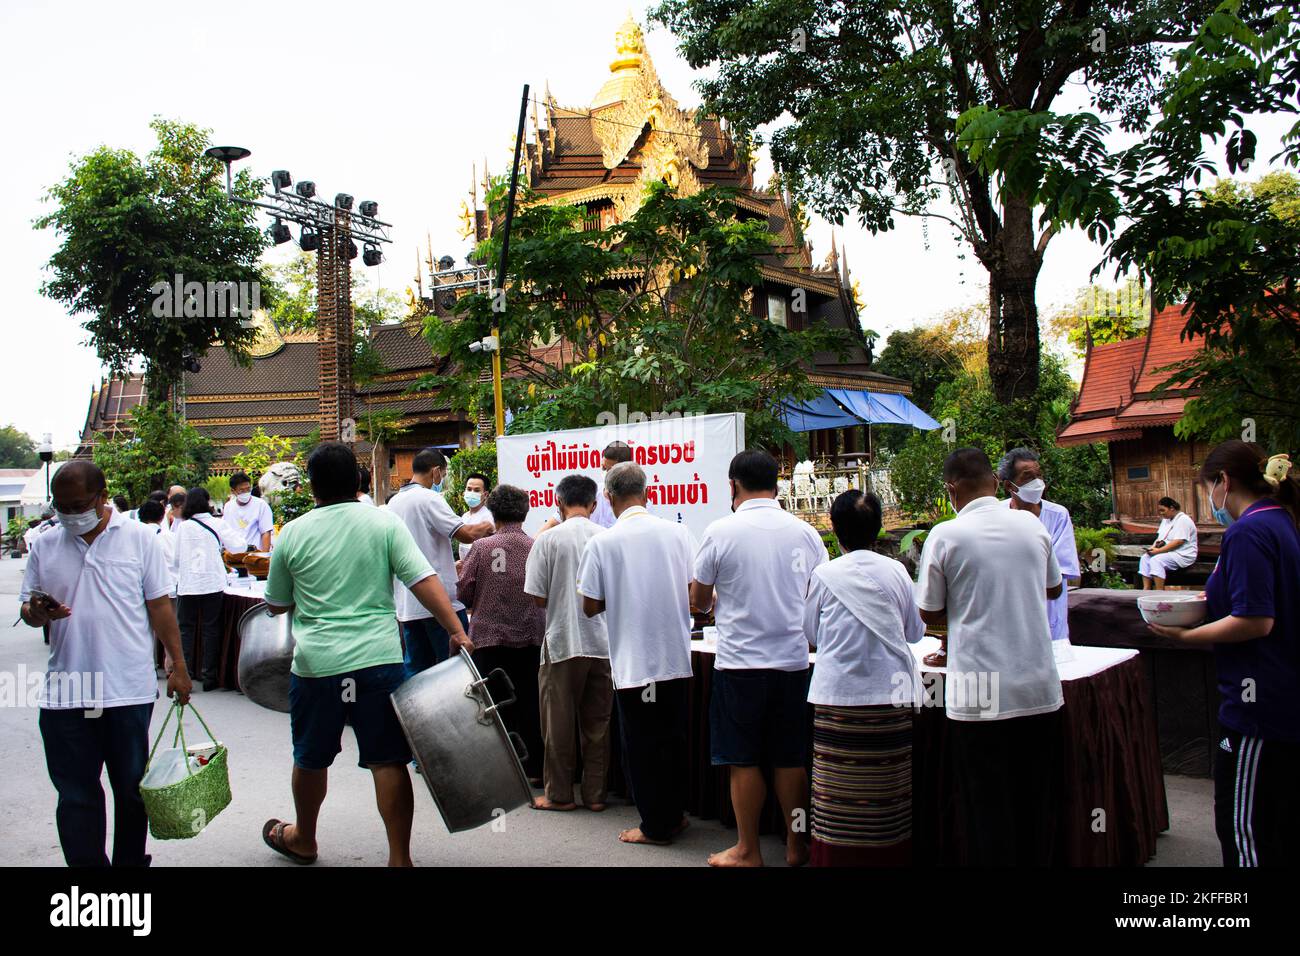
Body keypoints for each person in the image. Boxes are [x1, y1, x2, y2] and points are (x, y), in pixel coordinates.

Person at [261, 442, 472, 867]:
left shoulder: (294, 534)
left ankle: (303, 839)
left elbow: (277, 604)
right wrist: (456, 631)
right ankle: (399, 858)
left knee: (310, 757)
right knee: (388, 759)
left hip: (318, 666)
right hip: (378, 661)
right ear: (360, 481)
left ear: (313, 487)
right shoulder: (383, 523)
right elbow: (422, 579)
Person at [18, 460, 191, 867]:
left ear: (101, 496)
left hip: (126, 690)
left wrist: (178, 665)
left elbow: (160, 607)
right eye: (61, 506)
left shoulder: (139, 539)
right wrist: (37, 612)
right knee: (76, 796)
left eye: (78, 505)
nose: (69, 514)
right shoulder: (45, 544)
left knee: (131, 792)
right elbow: (28, 607)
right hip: (65, 694)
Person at [1146, 442, 1300, 866]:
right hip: (1281, 699)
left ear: (1224, 483)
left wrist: (1184, 637)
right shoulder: (1281, 521)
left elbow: (1256, 620)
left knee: (1245, 831)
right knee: (1275, 829)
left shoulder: (1248, 531)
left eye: (1209, 489)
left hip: (1260, 710)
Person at [914, 447, 1064, 866]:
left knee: (985, 806)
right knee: (1035, 801)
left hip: (979, 690)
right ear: (997, 484)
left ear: (950, 490)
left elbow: (928, 611)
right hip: (1037, 683)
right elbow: (1053, 588)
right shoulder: (1032, 527)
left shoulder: (946, 535)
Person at [691, 449, 827, 867]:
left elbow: (699, 599)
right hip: (792, 662)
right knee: (790, 758)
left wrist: (713, 601)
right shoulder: (805, 533)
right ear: (777, 483)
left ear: (733, 486)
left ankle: (748, 849)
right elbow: (818, 592)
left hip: (740, 664)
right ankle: (795, 844)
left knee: (742, 758)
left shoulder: (721, 531)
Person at [804, 490, 924, 866]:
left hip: (838, 695)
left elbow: (811, 633)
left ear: (835, 529)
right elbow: (915, 631)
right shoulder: (897, 571)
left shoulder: (824, 574)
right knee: (887, 791)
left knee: (837, 792)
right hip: (889, 694)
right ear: (879, 529)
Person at [577, 461, 694, 846]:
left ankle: (654, 827)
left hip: (635, 663)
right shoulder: (678, 533)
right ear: (648, 492)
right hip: (676, 658)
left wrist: (623, 593)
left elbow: (590, 606)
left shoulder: (603, 542)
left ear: (608, 499)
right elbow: (696, 596)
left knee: (642, 747)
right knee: (673, 741)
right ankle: (674, 817)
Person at [523, 474, 612, 812]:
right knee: (598, 724)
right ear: (593, 504)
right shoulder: (606, 537)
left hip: (561, 642)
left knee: (557, 725)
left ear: (558, 503)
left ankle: (560, 794)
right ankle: (596, 795)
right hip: (601, 644)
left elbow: (538, 598)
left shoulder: (547, 540)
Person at [458, 484, 547, 782]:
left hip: (489, 640)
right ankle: (534, 768)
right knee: (529, 702)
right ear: (525, 512)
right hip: (531, 636)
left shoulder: (482, 548)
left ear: (492, 511)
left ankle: (501, 772)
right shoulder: (536, 546)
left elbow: (464, 591)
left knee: (493, 705)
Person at [386, 448, 494, 677]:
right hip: (440, 602)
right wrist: (488, 527)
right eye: (442, 475)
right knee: (456, 673)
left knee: (416, 673)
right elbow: (465, 534)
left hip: (408, 604)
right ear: (435, 471)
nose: (442, 480)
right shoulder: (429, 499)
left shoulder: (394, 503)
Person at [998, 447, 1081, 643]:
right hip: (1008, 620)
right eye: (1028, 477)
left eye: (1039, 475)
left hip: (1048, 616)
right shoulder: (997, 514)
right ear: (1009, 485)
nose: (1037, 482)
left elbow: (1061, 570)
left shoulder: (1058, 515)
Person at [172, 487, 247, 691]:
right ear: (207, 503)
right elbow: (239, 546)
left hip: (187, 585)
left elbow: (175, 558)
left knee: (185, 630)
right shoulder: (217, 523)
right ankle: (209, 676)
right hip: (212, 584)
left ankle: (185, 675)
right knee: (210, 630)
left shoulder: (183, 527)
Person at [139, 499, 179, 675]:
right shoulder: (170, 536)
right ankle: (170, 661)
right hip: (171, 586)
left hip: (145, 588)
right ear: (162, 516)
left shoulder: (137, 537)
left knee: (147, 625)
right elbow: (178, 560)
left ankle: (150, 663)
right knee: (170, 624)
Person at [1140, 496, 1199, 590]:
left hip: (1183, 554)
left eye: (1163, 510)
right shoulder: (1165, 520)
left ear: (1172, 508)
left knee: (1156, 560)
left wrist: (1158, 551)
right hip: (1168, 552)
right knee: (1145, 558)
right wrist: (1152, 548)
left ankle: (1159, 592)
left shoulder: (1183, 520)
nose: (1161, 513)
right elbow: (1160, 538)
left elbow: (1178, 542)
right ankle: (1146, 588)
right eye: (1159, 511)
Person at [223, 471, 274, 552]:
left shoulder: (261, 505)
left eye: (248, 489)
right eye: (241, 490)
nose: (246, 493)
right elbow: (226, 532)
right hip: (234, 555)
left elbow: (266, 532)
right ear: (233, 491)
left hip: (254, 554)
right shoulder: (228, 507)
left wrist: (264, 556)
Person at [456, 472, 494, 562]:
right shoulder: (464, 516)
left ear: (485, 495)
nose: (471, 493)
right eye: (469, 489)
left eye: (476, 490)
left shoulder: (489, 517)